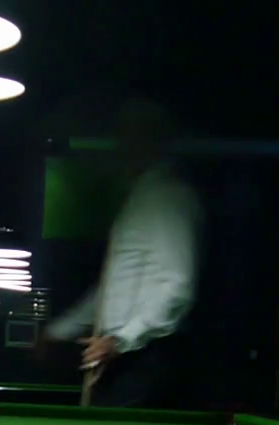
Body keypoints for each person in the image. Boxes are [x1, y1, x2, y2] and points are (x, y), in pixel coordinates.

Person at [44, 99, 202, 408]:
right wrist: (60, 331)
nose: (120, 146)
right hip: (122, 356)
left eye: (129, 135)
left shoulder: (166, 196)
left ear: (152, 140)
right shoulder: (140, 198)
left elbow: (176, 286)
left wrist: (120, 340)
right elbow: (110, 290)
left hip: (144, 360)